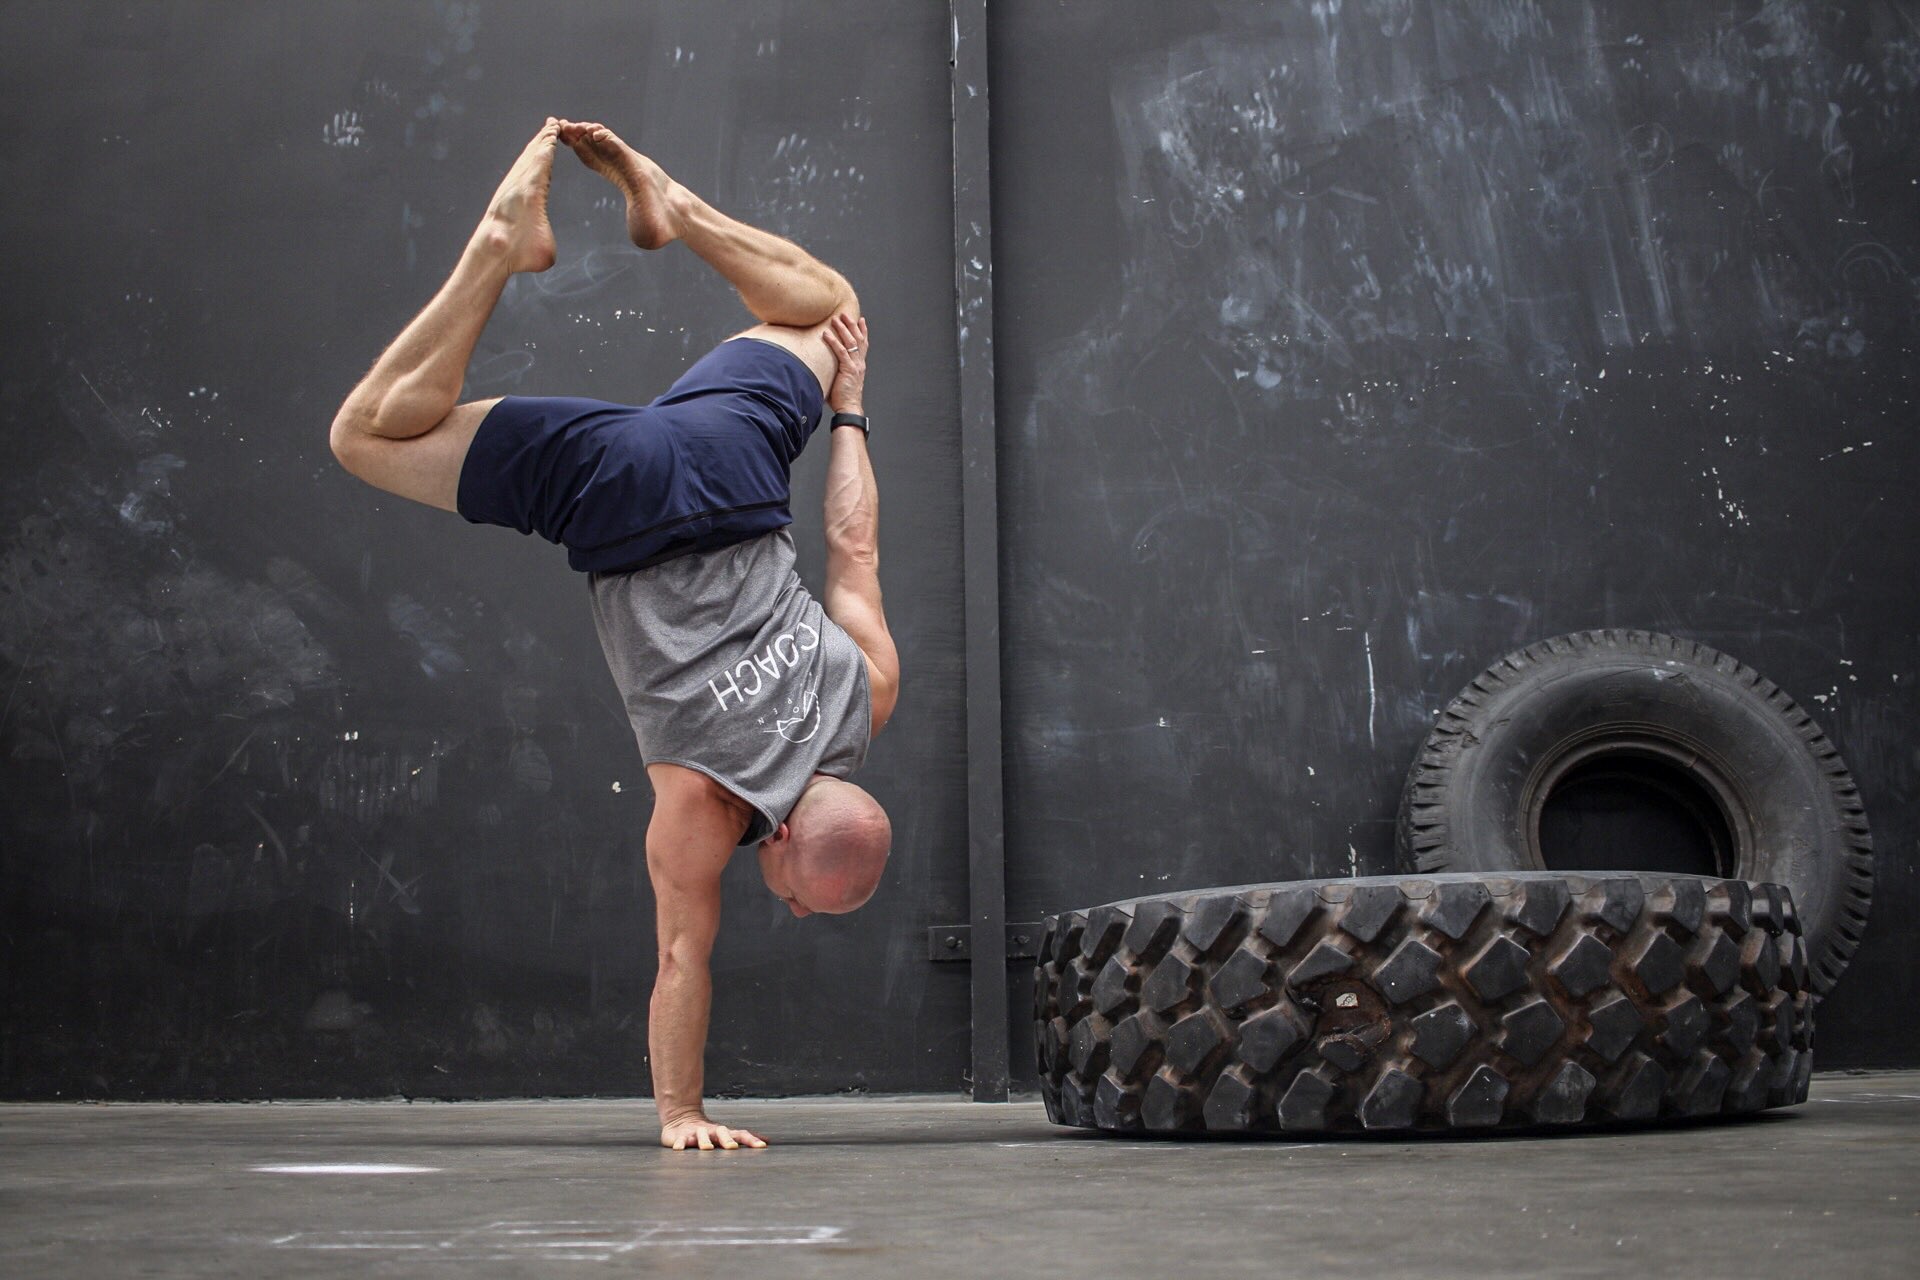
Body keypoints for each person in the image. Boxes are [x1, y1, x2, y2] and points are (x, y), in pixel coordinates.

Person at [329, 119, 899, 1152]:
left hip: (731, 463)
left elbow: (851, 546)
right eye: (806, 901)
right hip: (621, 495)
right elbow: (683, 958)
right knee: (363, 436)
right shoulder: (705, 805)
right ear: (780, 841)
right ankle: (499, 249)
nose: (799, 914)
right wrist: (682, 1113)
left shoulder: (868, 690)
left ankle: (678, 211)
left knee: (833, 307)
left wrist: (846, 411)